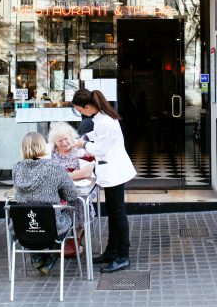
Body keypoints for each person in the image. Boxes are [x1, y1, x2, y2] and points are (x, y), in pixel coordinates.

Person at [72, 88, 136, 273]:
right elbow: (96, 136)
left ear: (86, 106)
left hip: (114, 171)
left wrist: (82, 143)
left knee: (117, 213)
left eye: (79, 110)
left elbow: (100, 148)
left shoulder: (106, 121)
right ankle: (111, 251)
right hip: (110, 171)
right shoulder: (100, 118)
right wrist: (84, 137)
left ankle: (123, 256)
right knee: (114, 212)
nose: (80, 113)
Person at [12, 131, 79, 275]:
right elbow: (72, 195)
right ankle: (50, 259)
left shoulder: (17, 168)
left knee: (32, 214)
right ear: (44, 146)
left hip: (23, 229)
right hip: (52, 228)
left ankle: (36, 256)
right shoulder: (54, 168)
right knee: (68, 211)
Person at [48, 121, 97, 255]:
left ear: (72, 137)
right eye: (59, 141)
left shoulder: (80, 150)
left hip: (80, 190)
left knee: (75, 200)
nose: (64, 143)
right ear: (54, 142)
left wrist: (65, 176)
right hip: (57, 191)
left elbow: (87, 172)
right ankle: (57, 235)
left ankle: (74, 238)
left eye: (66, 139)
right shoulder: (51, 153)